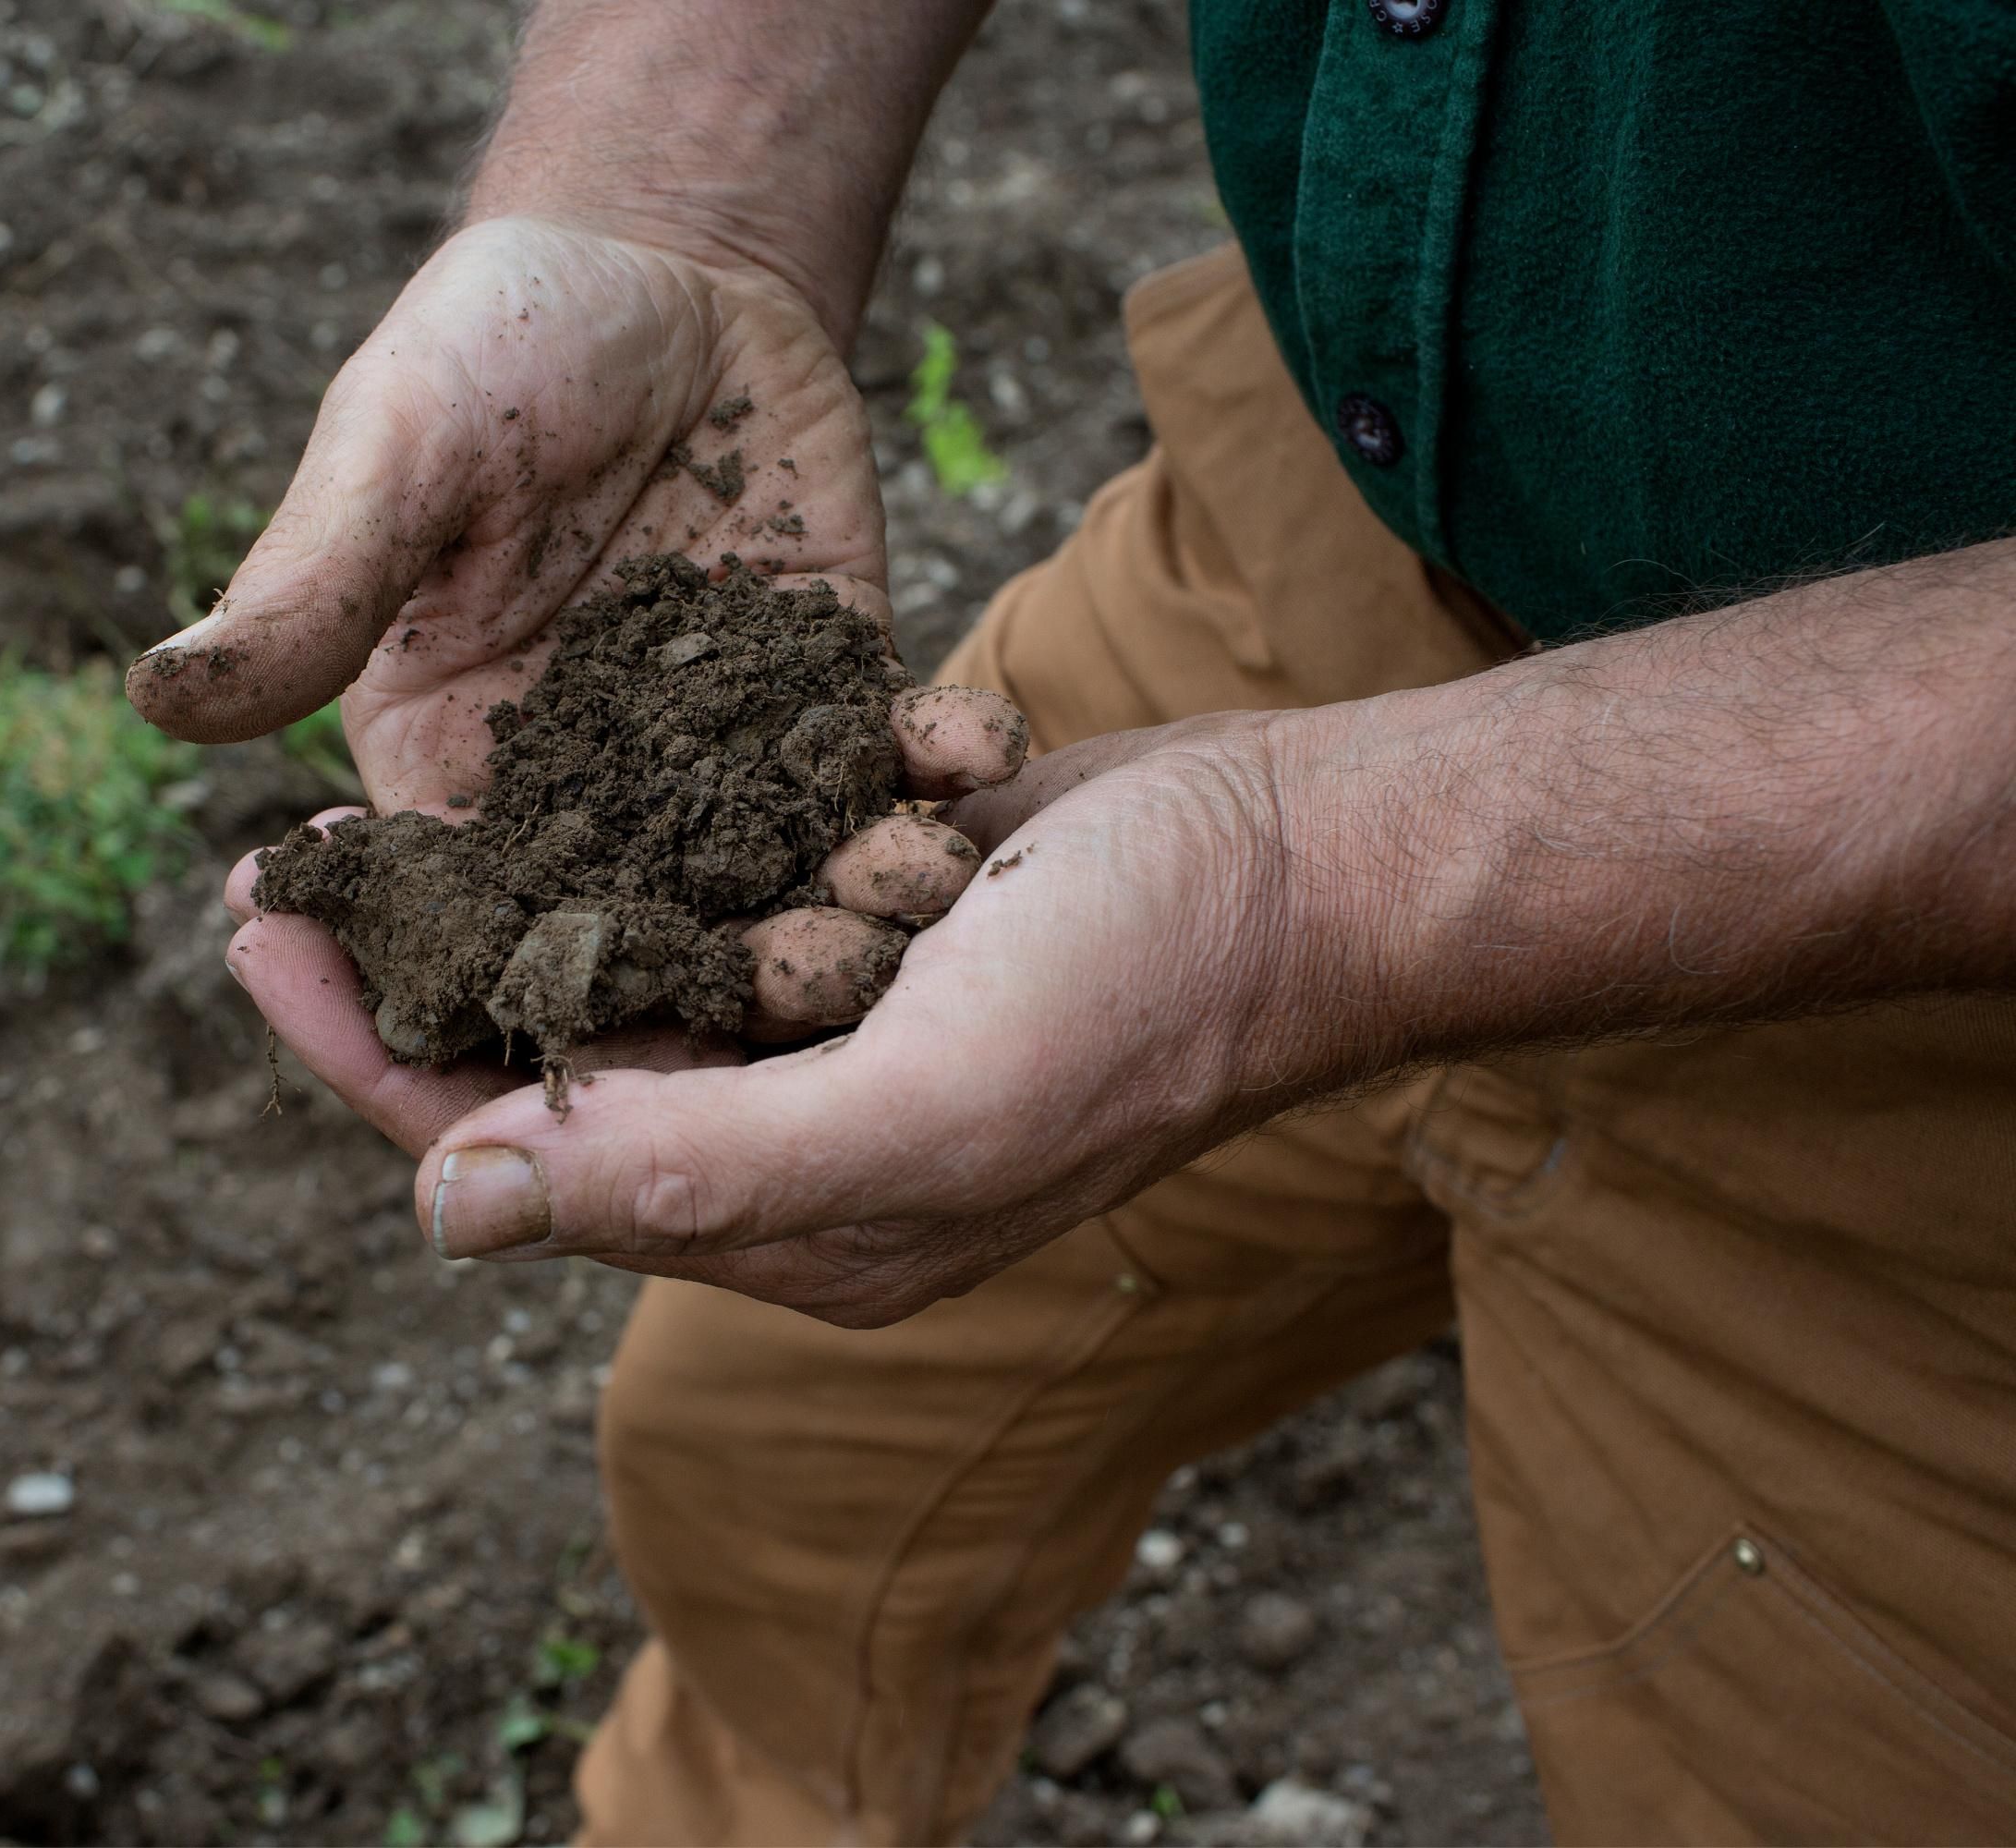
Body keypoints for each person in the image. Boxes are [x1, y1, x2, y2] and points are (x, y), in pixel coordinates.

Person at [128, 2, 2016, 1839]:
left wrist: (1317, 887)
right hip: (1352, 531)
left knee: (1802, 1747)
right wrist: (676, 210)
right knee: (769, 1449)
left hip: (1925, 976)